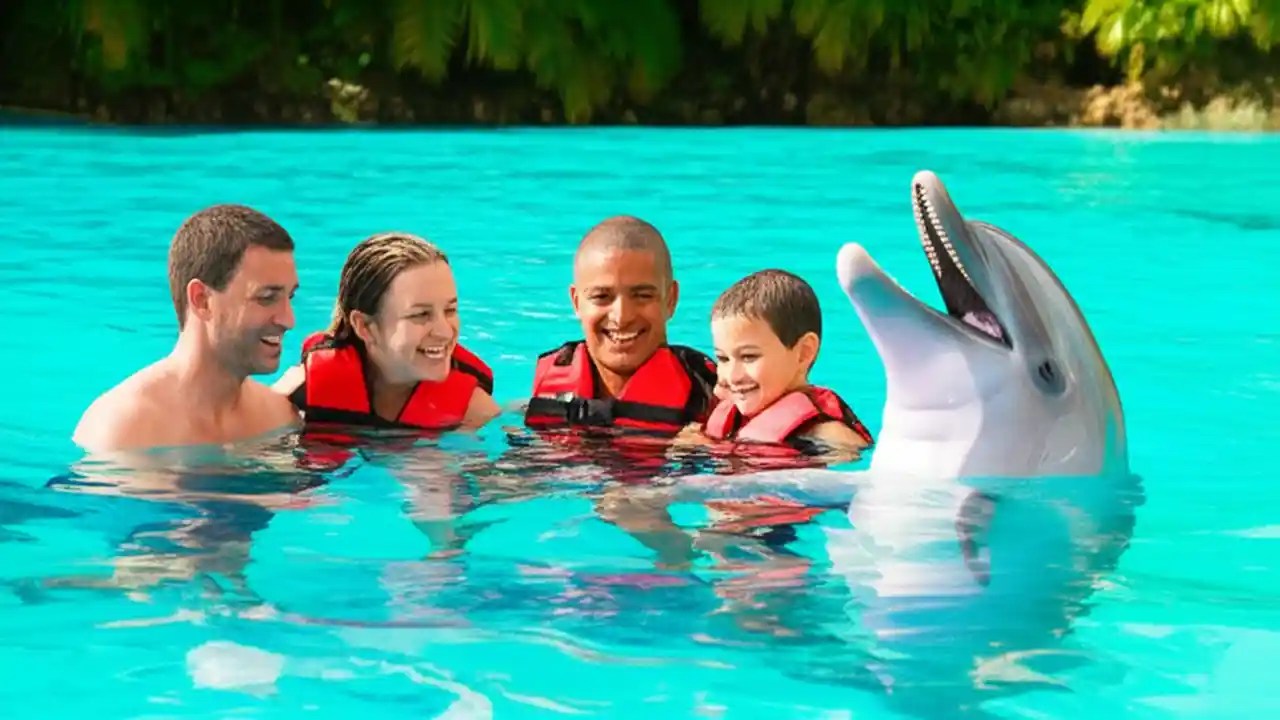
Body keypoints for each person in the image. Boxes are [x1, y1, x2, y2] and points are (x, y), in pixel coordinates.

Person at [72, 204, 302, 454]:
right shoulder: (127, 429)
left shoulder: (280, 417)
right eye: (267, 297)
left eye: (290, 297)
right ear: (202, 301)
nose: (289, 320)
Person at [273, 231, 500, 433]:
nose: (444, 332)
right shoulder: (299, 396)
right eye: (420, 315)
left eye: (450, 310)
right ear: (365, 326)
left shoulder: (474, 415)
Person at [523, 215, 718, 436]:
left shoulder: (710, 399)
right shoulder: (547, 397)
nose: (622, 317)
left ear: (671, 299)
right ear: (576, 302)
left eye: (642, 295)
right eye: (602, 296)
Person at [699, 268, 874, 456]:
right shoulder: (731, 416)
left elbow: (858, 461)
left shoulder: (824, 432)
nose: (733, 376)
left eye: (749, 357)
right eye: (723, 359)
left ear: (803, 353)